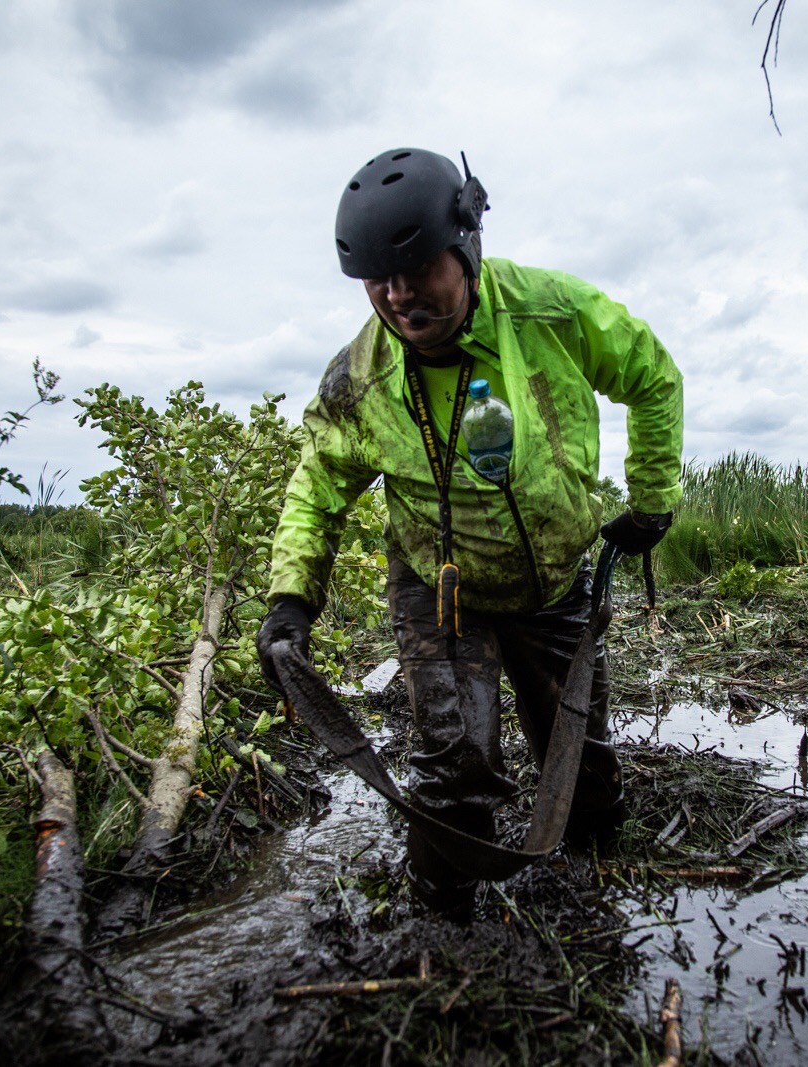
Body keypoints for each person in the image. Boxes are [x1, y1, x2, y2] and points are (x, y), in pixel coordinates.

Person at [258, 147, 683, 919]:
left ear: (465, 248)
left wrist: (652, 504)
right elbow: (315, 487)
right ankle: (442, 930)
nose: (398, 295)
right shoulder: (361, 378)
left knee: (579, 762)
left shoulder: (552, 314)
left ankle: (594, 906)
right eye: (378, 281)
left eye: (417, 268)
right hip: (442, 591)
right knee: (456, 765)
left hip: (555, 584)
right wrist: (291, 599)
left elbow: (654, 376)